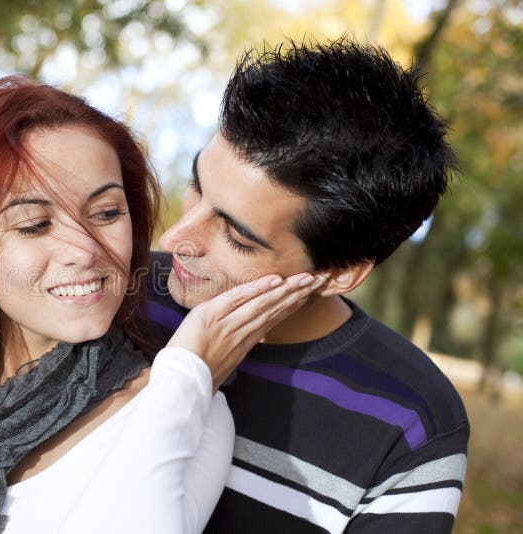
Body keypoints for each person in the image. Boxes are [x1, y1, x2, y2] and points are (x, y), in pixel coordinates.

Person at [0, 76, 318, 534]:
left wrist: (187, 372)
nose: (85, 250)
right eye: (34, 223)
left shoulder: (181, 412)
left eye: (107, 213)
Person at [146, 38, 470, 533]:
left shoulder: (411, 420)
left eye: (236, 236)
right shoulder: (106, 303)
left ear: (337, 274)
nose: (174, 239)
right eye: (197, 186)